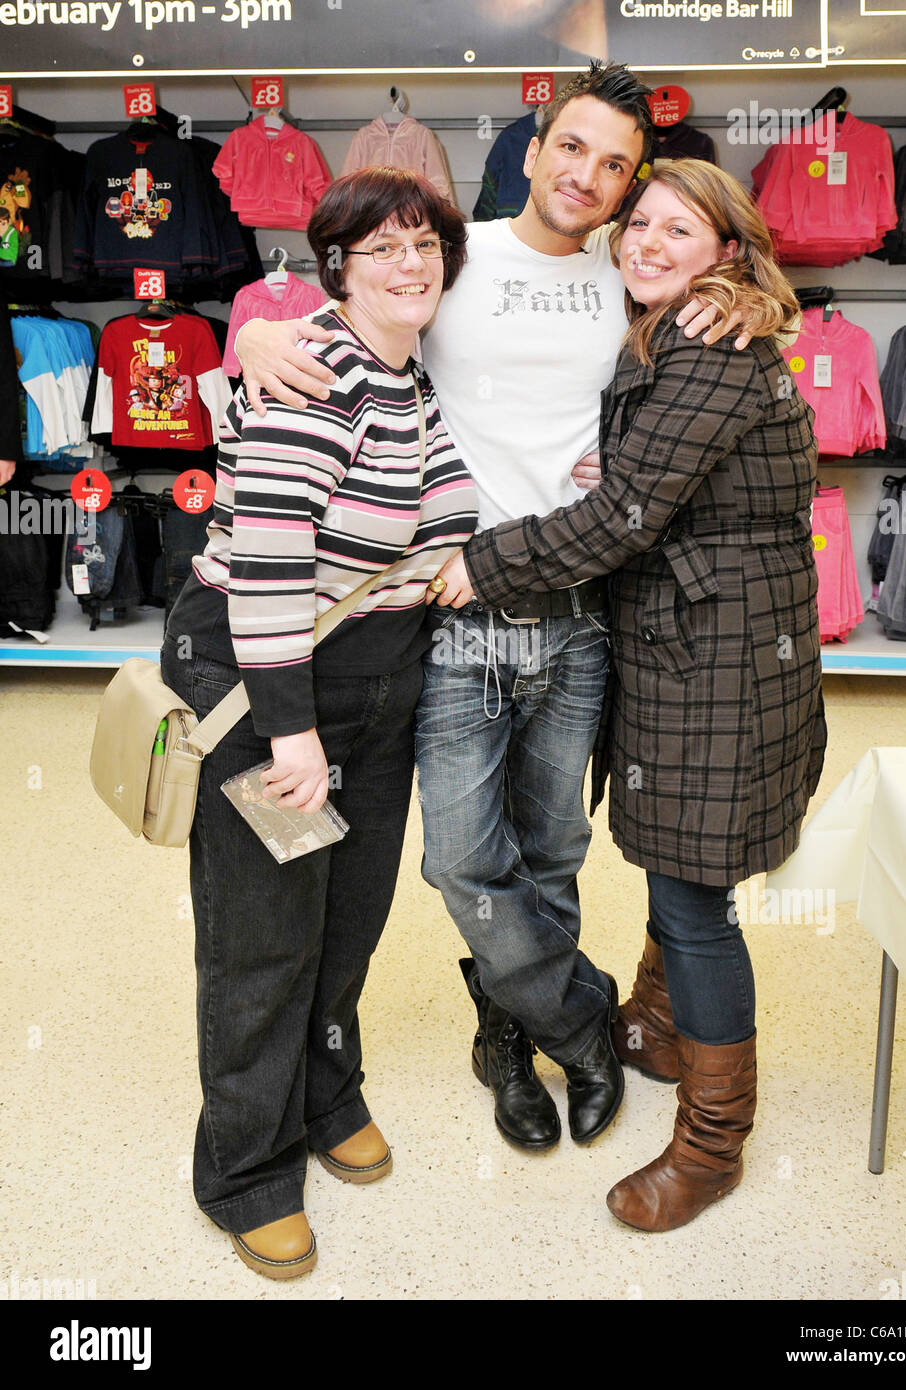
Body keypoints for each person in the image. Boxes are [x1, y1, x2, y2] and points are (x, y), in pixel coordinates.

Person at [233, 62, 762, 1156]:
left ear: (629, 187)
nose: (588, 175)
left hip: (582, 612)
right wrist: (257, 337)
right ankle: (578, 1019)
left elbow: (712, 328)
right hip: (459, 607)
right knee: (463, 859)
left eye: (615, 164)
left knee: (552, 847)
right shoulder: (456, 254)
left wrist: (738, 290)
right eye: (572, 147)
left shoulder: (634, 277)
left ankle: (504, 1042)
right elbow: (348, 311)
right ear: (533, 148)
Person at [429, 157, 827, 1231]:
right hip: (703, 629)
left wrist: (489, 562)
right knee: (673, 853)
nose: (645, 242)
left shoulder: (708, 343)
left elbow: (622, 521)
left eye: (676, 230)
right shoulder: (673, 325)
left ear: (726, 251)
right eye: (636, 223)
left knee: (694, 896)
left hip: (720, 645)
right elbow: (644, 488)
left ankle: (712, 1142)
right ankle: (648, 1023)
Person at [160, 167, 476, 1279]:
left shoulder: (409, 378)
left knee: (347, 923)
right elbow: (270, 562)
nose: (409, 261)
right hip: (268, 686)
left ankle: (326, 1090)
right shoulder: (317, 369)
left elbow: (431, 517)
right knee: (264, 939)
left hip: (375, 687)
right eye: (379, 245)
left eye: (425, 242)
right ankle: (243, 1167)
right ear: (334, 265)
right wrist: (290, 732)